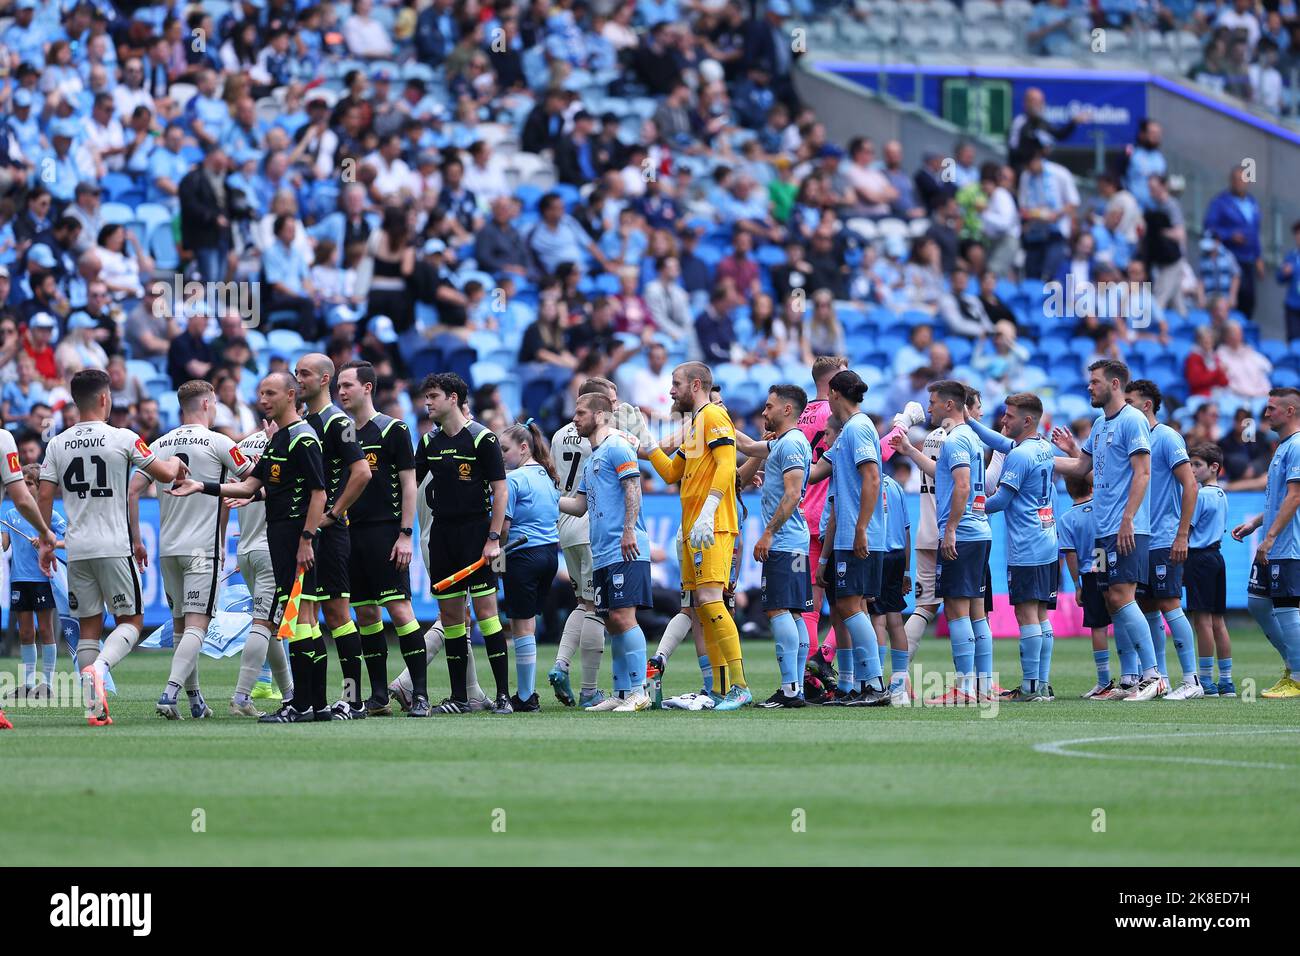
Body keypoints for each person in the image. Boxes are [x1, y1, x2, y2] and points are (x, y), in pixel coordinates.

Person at [171, 372, 329, 723]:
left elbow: (319, 493)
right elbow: (248, 487)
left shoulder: (303, 437)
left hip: (295, 542)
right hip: (276, 543)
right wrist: (201, 486)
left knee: (299, 622)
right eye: (260, 393)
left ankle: (303, 704)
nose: (263, 400)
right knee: (297, 623)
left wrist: (307, 539)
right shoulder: (279, 439)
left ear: (291, 395)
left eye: (270, 393)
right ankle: (313, 705)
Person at [38, 369, 185, 727]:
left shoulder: (57, 443)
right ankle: (100, 668)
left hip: (77, 549)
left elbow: (43, 495)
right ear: (105, 399)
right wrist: (177, 463)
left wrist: (45, 540)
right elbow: (165, 475)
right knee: (131, 621)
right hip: (115, 545)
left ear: (75, 401)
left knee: (88, 626)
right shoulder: (123, 437)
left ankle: (94, 708)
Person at [129, 380, 255, 719]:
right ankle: (169, 694)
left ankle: (196, 700)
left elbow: (133, 491)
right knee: (198, 626)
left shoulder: (158, 443)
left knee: (181, 628)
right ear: (207, 403)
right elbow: (254, 479)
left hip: (168, 549)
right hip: (202, 549)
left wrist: (137, 541)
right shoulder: (220, 442)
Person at [640, 362, 749, 710]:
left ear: (696, 384)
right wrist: (647, 442)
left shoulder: (714, 416)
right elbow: (671, 472)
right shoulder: (696, 424)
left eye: (676, 384)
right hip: (692, 527)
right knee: (701, 607)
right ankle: (717, 688)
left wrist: (709, 508)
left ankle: (740, 686)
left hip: (712, 524)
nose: (671, 391)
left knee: (711, 600)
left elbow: (727, 464)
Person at [1050, 360, 1161, 701]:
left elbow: (1143, 473)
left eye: (1095, 381)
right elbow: (1080, 466)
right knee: (1111, 600)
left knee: (1123, 596)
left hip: (1126, 528)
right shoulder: (1099, 425)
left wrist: (1128, 518)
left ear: (1114, 384)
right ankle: (1128, 678)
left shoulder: (1132, 420)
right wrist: (1035, 455)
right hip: (1102, 532)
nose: (1089, 387)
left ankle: (1153, 675)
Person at [548, 377, 652, 709]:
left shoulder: (618, 446)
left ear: (600, 415)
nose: (574, 418)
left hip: (624, 546)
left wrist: (629, 530)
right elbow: (578, 505)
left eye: (580, 413)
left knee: (624, 617)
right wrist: (543, 499)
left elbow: (633, 487)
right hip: (601, 548)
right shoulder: (594, 455)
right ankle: (620, 693)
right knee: (609, 618)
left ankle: (639, 691)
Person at [414, 372, 513, 715]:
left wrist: (493, 538)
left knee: (487, 615)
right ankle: (460, 698)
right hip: (442, 536)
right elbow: (409, 483)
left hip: (477, 534)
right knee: (452, 617)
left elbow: (501, 491)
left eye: (433, 396)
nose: (427, 403)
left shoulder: (482, 438)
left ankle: (503, 696)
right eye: (426, 397)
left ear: (453, 398)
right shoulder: (428, 442)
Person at [891, 379, 993, 704]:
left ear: (950, 405)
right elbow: (947, 474)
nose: (929, 407)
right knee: (975, 611)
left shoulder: (951, 438)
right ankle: (982, 686)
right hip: (974, 530)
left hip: (954, 531)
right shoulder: (969, 437)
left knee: (951, 609)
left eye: (933, 401)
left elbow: (961, 485)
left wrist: (950, 530)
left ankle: (962, 688)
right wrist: (909, 450)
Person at [335, 360, 421, 716]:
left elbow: (409, 484)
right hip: (349, 534)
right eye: (338, 386)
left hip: (386, 532)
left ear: (367, 388)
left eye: (347, 385)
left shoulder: (393, 430)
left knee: (399, 610)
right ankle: (378, 696)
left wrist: (405, 534)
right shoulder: (340, 432)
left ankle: (420, 696)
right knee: (365, 612)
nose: (341, 392)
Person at [804, 370, 892, 706]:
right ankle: (855, 684)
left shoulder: (858, 428)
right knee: (847, 607)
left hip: (859, 533)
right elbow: (814, 474)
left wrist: (861, 528)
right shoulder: (846, 434)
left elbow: (872, 477)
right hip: (847, 534)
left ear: (834, 394)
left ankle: (874, 684)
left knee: (852, 606)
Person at [965, 393, 1058, 701]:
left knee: (1026, 613)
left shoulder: (1019, 456)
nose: (1003, 420)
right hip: (1047, 539)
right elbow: (1002, 443)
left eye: (1009, 416)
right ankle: (1041, 684)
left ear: (1027, 420)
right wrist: (970, 423)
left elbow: (1001, 500)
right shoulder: (1042, 446)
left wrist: (969, 505)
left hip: (1027, 545)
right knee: (1041, 614)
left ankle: (1029, 687)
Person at [296, 353, 372, 719]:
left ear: (324, 379)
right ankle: (314, 701)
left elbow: (362, 472)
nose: (299, 380)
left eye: (305, 374)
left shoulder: (337, 422)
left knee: (337, 613)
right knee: (309, 614)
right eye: (296, 374)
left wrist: (334, 513)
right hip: (310, 531)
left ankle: (353, 699)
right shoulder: (304, 421)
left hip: (330, 532)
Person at [733, 384, 813, 708]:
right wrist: (715, 418)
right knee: (793, 612)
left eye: (769, 406)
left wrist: (767, 533)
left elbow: (793, 493)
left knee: (778, 609)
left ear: (787, 409)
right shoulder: (783, 442)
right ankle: (797, 688)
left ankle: (790, 689)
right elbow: (748, 446)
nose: (764, 412)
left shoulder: (791, 443)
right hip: (795, 542)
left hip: (784, 540)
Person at [1123, 379, 1201, 698]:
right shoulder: (1132, 436)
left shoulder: (1166, 437)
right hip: (1141, 538)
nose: (1124, 406)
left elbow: (1191, 485)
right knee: (1147, 607)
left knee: (1169, 603)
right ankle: (1160, 678)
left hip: (1164, 538)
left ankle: (1192, 680)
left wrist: (1182, 535)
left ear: (1147, 405)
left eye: (1130, 401)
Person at [1230, 387, 1300, 699]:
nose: (1266, 413)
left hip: (1288, 543)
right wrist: (1256, 523)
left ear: (1290, 411)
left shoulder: (1297, 446)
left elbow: (1295, 497)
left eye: (1272, 408)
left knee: (1285, 607)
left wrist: (1269, 538)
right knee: (1257, 603)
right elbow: (1279, 498)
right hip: (1274, 540)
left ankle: (1297, 677)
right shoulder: (1282, 447)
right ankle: (1293, 663)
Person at [224, 424, 295, 716]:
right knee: (264, 624)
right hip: (272, 549)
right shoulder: (293, 442)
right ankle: (241, 697)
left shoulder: (242, 446)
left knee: (271, 626)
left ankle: (290, 694)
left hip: (247, 548)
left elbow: (229, 496)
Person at [499, 421, 562, 712]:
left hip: (522, 554)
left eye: (505, 449)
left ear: (524, 448)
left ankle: (526, 697)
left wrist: (495, 552)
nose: (501, 456)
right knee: (528, 623)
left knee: (521, 625)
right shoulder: (547, 475)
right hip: (549, 555)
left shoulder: (513, 479)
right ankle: (526, 693)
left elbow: (503, 527)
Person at [796, 355, 847, 682]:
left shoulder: (797, 413)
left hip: (803, 514)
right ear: (832, 382)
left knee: (810, 606)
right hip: (833, 515)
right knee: (851, 604)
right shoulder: (839, 415)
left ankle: (811, 678)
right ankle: (826, 657)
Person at [1, 464, 65, 700]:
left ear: (39, 487)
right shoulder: (10, 514)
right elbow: (4, 545)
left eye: (29, 483)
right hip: (19, 580)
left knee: (46, 630)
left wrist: (49, 542)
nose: (25, 488)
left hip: (42, 579)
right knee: (26, 633)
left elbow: (70, 538)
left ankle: (47, 685)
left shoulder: (49, 515)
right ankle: (28, 684)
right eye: (22, 483)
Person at [1057, 473, 1113, 698]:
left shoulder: (1067, 518)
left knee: (1098, 627)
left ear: (1069, 490)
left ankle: (1104, 681)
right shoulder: (1104, 508)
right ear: (1091, 486)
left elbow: (1071, 555)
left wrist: (1077, 585)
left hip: (1091, 576)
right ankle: (1134, 675)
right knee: (1124, 620)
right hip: (1112, 570)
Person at [1184, 444, 1231, 700]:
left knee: (1202, 621)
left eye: (1197, 465)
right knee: (1218, 621)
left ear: (1214, 467)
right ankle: (1226, 681)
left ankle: (1205, 680)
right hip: (1216, 556)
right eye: (1190, 464)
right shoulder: (1222, 494)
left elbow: (1187, 530)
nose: (1192, 469)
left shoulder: (1199, 495)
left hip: (1199, 557)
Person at [872, 467, 912, 705]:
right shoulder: (896, 486)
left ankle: (876, 684)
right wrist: (906, 570)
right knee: (895, 620)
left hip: (877, 554)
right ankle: (899, 687)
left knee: (877, 619)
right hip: (897, 556)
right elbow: (906, 530)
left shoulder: (868, 482)